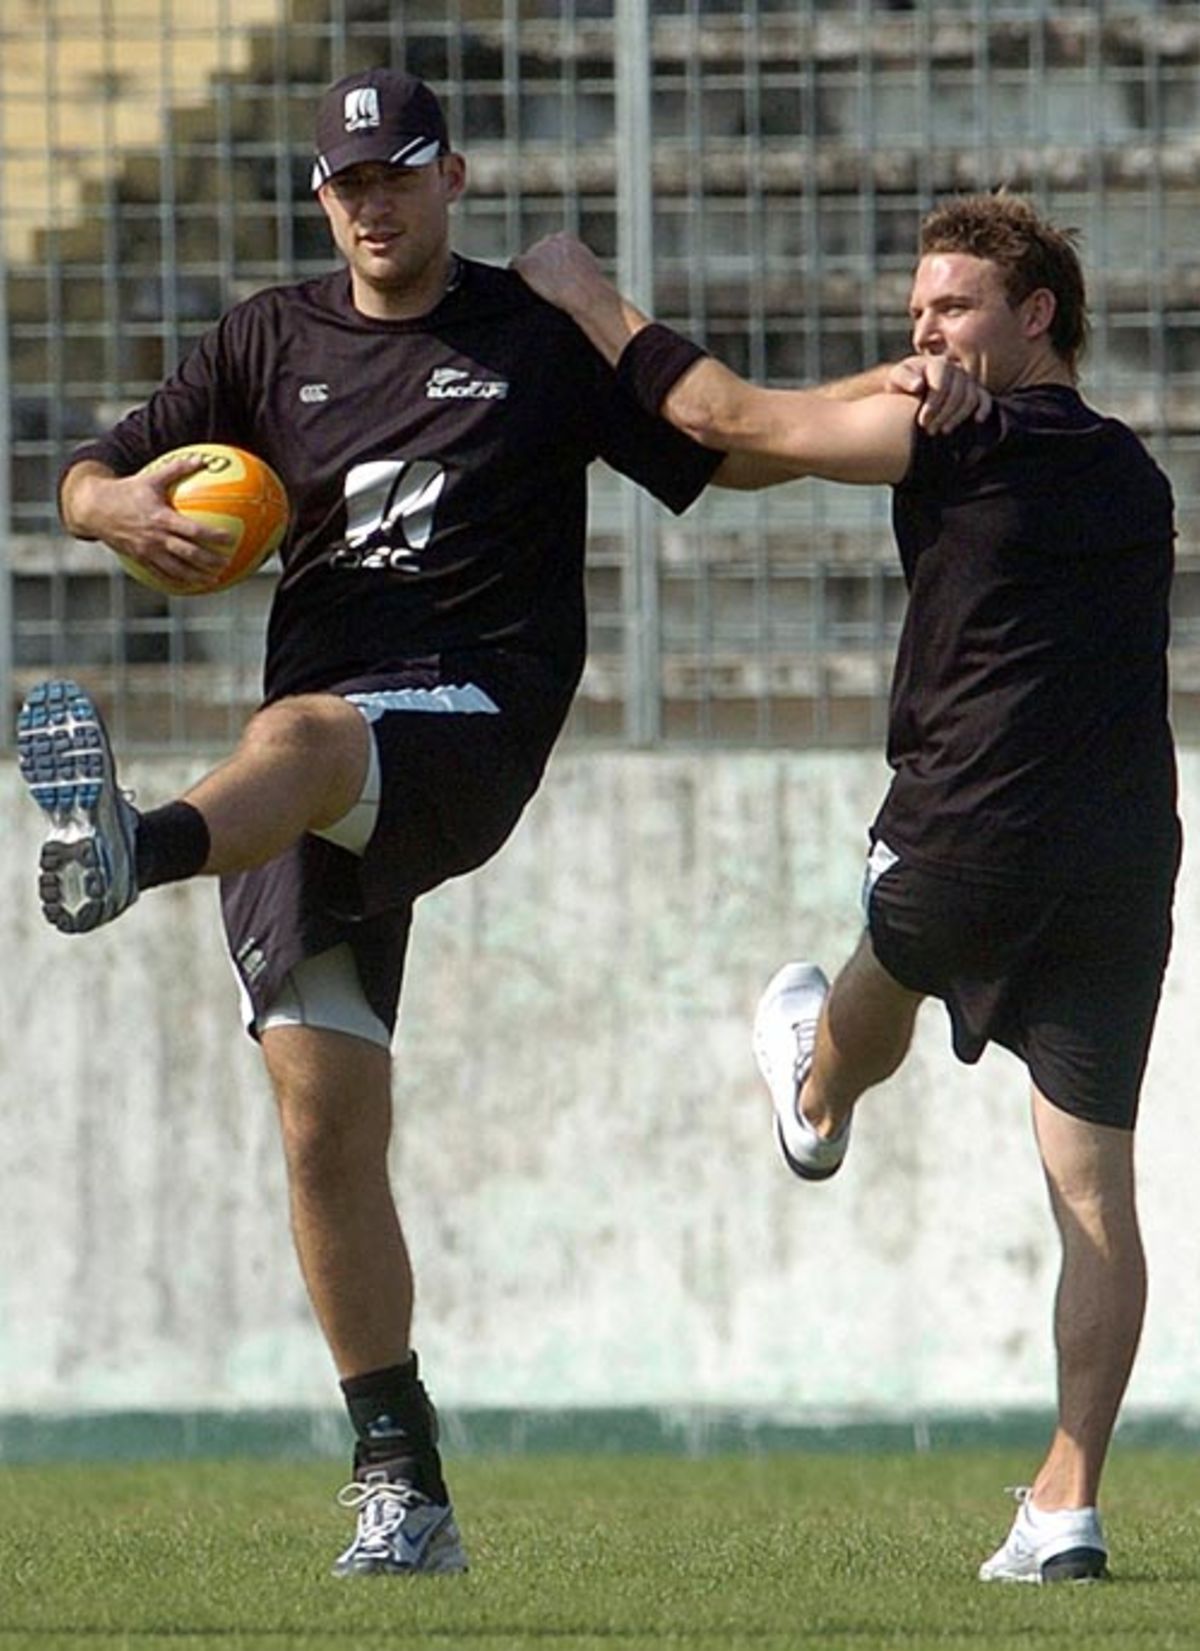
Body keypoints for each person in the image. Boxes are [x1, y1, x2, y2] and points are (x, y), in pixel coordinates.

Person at [17, 66, 801, 1578]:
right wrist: (111, 509)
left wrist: (619, 315)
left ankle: (134, 848)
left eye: (399, 173)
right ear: (323, 197)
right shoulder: (268, 336)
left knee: (301, 733)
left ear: (457, 178)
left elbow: (738, 451)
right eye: (346, 182)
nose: (371, 203)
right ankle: (402, 1481)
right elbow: (88, 474)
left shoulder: (534, 336)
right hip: (295, 787)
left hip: (461, 727)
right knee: (323, 1130)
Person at [515, 192, 1180, 1585]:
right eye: (917, 310)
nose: (919, 329)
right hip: (1121, 857)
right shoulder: (1132, 470)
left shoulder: (957, 427)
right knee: (1096, 1197)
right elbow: (784, 440)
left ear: (1034, 313)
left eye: (947, 306)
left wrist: (584, 295)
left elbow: (732, 419)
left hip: (969, 834)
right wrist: (895, 390)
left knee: (875, 973)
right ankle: (1067, 1505)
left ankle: (813, 1102)